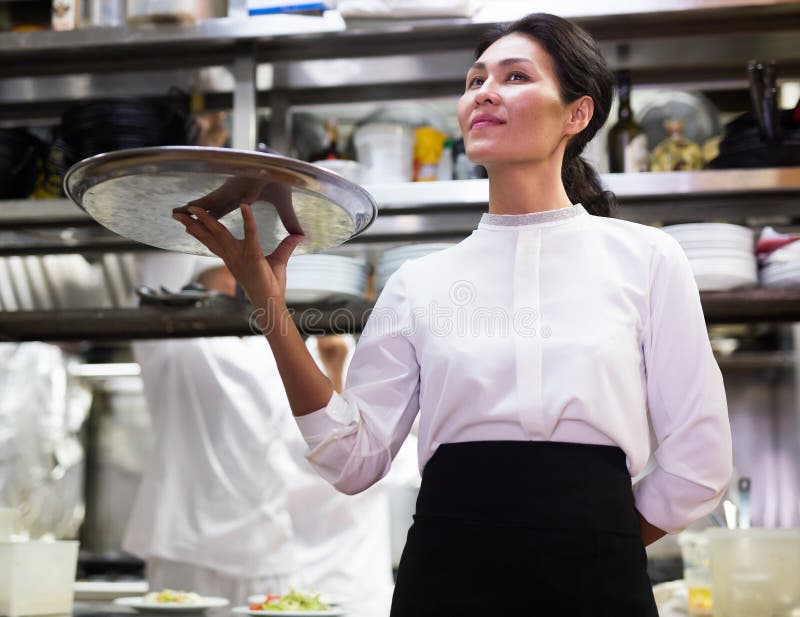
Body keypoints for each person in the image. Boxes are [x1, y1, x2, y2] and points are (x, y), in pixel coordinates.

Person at [173, 13, 733, 615]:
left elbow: (699, 460)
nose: (484, 92)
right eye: (474, 81)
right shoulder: (418, 283)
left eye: (515, 76)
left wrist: (603, 538)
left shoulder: (648, 259)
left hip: (599, 576)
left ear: (577, 114)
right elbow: (351, 457)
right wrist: (271, 308)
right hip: (446, 574)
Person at [123, 254, 403, 614]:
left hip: (266, 553)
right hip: (186, 548)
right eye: (223, 269)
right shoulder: (173, 344)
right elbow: (159, 265)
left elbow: (313, 451)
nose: (232, 277)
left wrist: (334, 370)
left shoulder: (272, 347)